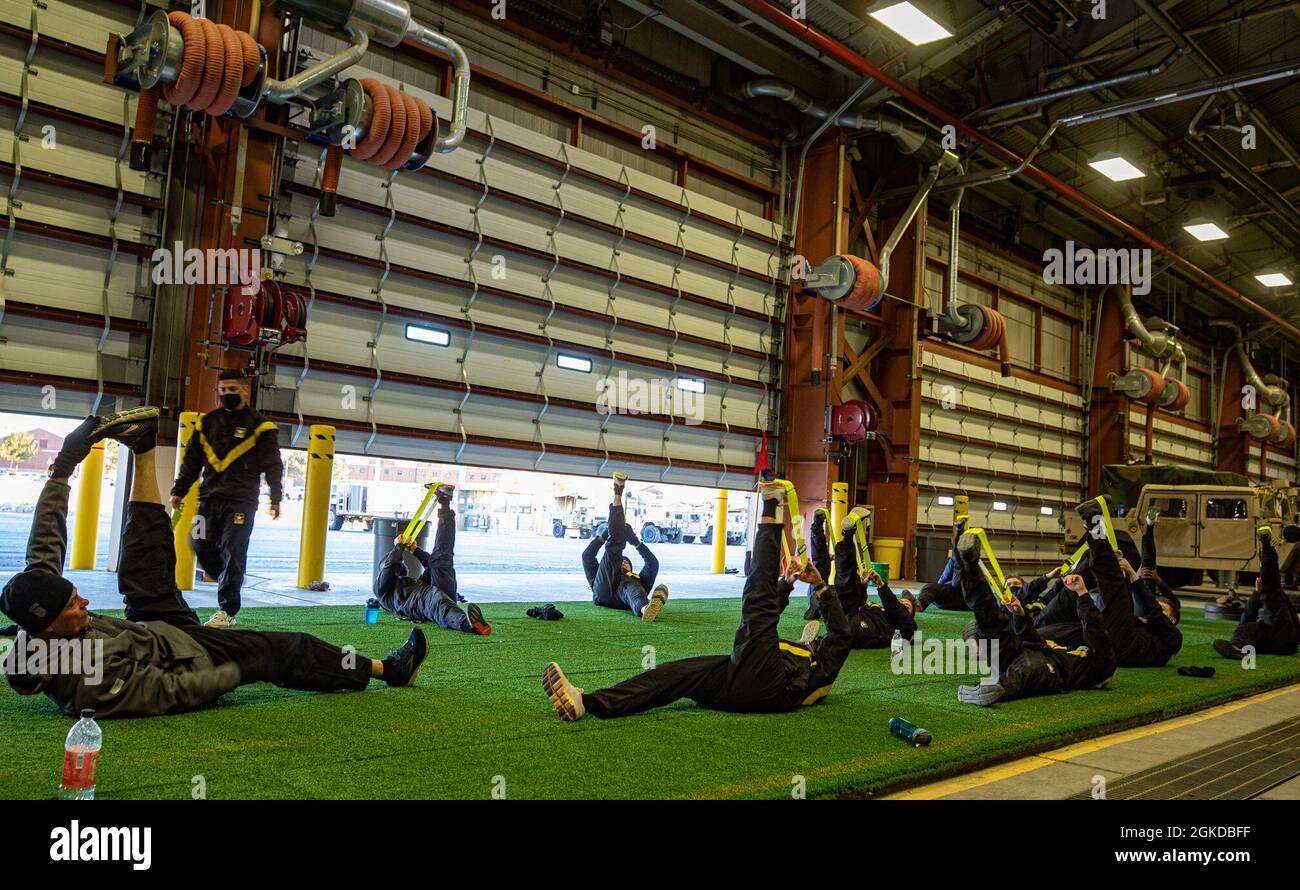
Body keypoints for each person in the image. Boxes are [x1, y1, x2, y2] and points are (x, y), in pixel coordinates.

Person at [1, 409, 428, 718]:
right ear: (49, 627)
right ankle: (389, 670)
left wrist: (63, 467)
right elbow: (169, 692)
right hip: (183, 658)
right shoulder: (88, 686)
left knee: (141, 562)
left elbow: (45, 538)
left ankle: (144, 447)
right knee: (287, 647)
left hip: (150, 630)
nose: (87, 604)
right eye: (75, 606)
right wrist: (237, 669)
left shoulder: (36, 606)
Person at [542, 480, 854, 720]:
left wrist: (823, 591)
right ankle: (589, 703)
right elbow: (772, 614)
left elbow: (841, 633)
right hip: (740, 676)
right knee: (671, 676)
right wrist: (786, 584)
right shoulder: (797, 652)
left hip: (769, 689)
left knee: (757, 613)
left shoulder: (820, 665)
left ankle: (771, 510)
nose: (819, 639)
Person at [954, 496, 1118, 707]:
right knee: (990, 618)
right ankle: (970, 564)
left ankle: (995, 688)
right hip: (1026, 643)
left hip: (1034, 651)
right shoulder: (1074, 652)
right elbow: (1039, 640)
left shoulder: (1096, 666)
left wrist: (1083, 594)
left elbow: (1097, 633)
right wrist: (1021, 616)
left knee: (1030, 670)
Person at [170, 369, 284, 628]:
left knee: (234, 549)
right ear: (217, 392)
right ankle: (231, 576)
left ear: (245, 390)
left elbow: (273, 464)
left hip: (241, 502)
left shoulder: (261, 427)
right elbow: (191, 461)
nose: (227, 395)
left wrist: (275, 497)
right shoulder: (205, 424)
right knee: (197, 541)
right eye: (223, 390)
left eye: (233, 390)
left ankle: (227, 609)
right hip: (208, 499)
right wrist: (179, 490)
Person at [1032, 508, 1182, 667]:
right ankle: (1034, 633)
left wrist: (1129, 572)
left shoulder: (1173, 639)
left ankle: (1096, 530)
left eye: (1162, 608)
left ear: (1172, 620)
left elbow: (1151, 610)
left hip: (1121, 647)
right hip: (1108, 641)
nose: (1156, 607)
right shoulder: (1142, 624)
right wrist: (1123, 568)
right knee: (1067, 627)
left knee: (1115, 585)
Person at [374, 483, 491, 636]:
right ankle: (468, 625)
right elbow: (390, 566)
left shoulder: (414, 583)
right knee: (437, 602)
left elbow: (431, 565)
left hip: (433, 593)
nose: (400, 565)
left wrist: (416, 551)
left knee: (442, 556)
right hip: (422, 603)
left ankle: (445, 501)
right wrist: (399, 547)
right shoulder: (383, 593)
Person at [804, 507, 917, 648]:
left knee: (836, 583)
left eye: (907, 606)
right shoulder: (882, 610)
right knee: (828, 571)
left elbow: (896, 609)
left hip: (859, 626)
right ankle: (837, 532)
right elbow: (862, 603)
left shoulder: (906, 626)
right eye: (902, 602)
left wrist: (882, 586)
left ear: (911, 615)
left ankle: (813, 643)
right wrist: (862, 586)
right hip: (842, 610)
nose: (902, 605)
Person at [580, 472, 668, 622]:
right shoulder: (604, 570)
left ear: (631, 568)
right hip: (604, 591)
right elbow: (587, 556)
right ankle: (618, 492)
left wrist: (636, 542)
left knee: (631, 585)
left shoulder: (636, 579)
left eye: (627, 562)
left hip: (625, 600)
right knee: (615, 546)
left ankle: (646, 609)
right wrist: (603, 537)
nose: (624, 562)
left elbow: (653, 564)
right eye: (623, 561)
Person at [1213, 526, 1300, 659]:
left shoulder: (1277, 604)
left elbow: (1272, 592)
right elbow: (1247, 619)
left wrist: (1261, 591)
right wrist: (1256, 593)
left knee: (1271, 594)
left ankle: (1267, 548)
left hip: (1285, 639)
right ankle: (1237, 649)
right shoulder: (1275, 604)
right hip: (1273, 640)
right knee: (1245, 627)